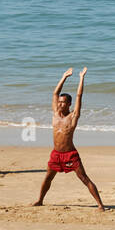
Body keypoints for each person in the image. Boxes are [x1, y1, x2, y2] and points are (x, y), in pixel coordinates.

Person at [33, 67, 104, 209]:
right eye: (59, 102)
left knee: (84, 178)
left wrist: (81, 78)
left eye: (63, 102)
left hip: (70, 155)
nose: (60, 104)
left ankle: (100, 205)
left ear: (69, 104)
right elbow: (55, 93)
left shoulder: (73, 116)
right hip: (56, 154)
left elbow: (79, 96)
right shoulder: (55, 113)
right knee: (48, 177)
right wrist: (64, 76)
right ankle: (40, 200)